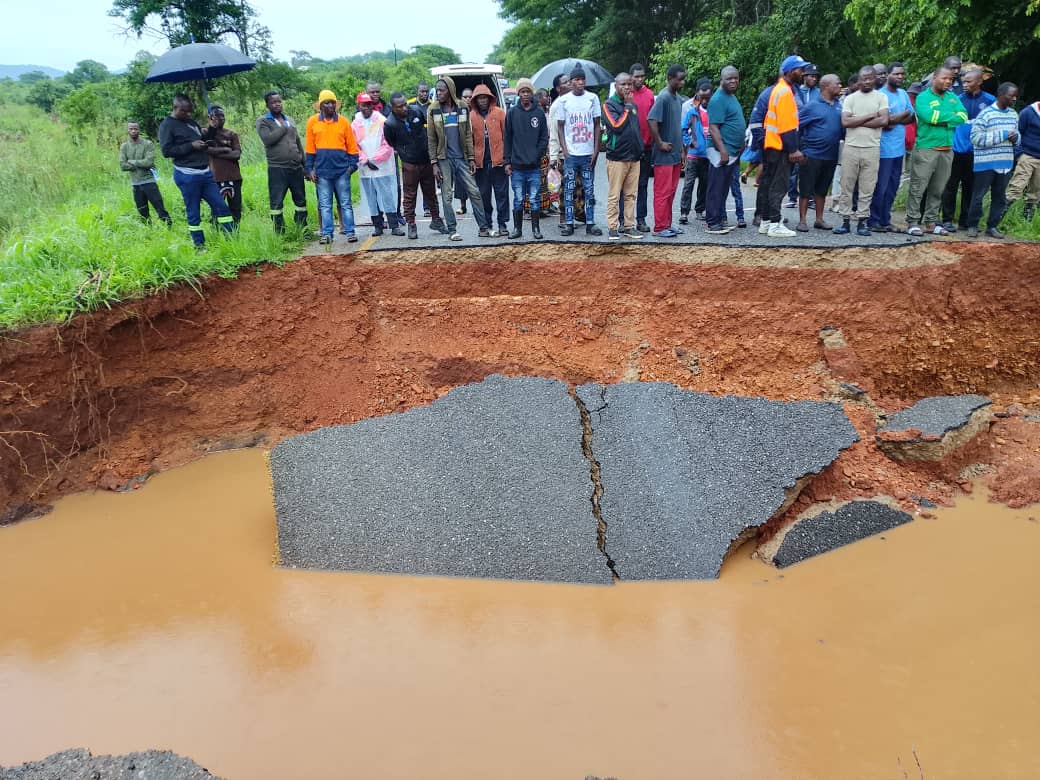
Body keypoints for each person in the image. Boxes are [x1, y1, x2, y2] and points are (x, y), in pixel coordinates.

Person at [158, 93, 234, 247]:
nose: (188, 114)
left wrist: (212, 129)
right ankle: (199, 246)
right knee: (193, 211)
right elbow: (167, 151)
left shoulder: (191, 122)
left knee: (222, 207)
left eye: (190, 111)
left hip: (205, 173)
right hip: (187, 175)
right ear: (175, 108)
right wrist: (191, 146)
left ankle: (232, 242)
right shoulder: (167, 125)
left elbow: (203, 140)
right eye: (184, 111)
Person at [905, 67, 968, 236]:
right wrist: (950, 117)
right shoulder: (923, 97)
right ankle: (912, 222)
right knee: (918, 187)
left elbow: (963, 116)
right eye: (944, 78)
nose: (948, 82)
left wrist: (942, 117)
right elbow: (929, 117)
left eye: (951, 79)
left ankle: (931, 223)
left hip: (947, 150)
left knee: (938, 189)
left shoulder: (953, 98)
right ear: (935, 78)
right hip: (927, 148)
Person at [427, 76, 491, 240]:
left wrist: (471, 158)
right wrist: (434, 163)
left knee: (474, 191)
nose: (438, 93)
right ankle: (452, 230)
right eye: (438, 90)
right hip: (443, 160)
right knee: (447, 197)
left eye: (441, 90)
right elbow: (431, 138)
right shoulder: (433, 109)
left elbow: (468, 134)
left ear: (450, 90)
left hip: (461, 158)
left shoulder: (462, 107)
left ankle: (483, 227)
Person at [833, 66, 889, 237]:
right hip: (851, 148)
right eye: (863, 78)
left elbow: (885, 120)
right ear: (859, 79)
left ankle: (862, 222)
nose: (866, 81)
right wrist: (871, 116)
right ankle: (845, 221)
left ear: (875, 79)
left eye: (870, 78)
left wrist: (856, 121)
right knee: (846, 185)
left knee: (867, 187)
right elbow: (845, 122)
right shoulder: (850, 98)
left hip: (872, 148)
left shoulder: (881, 97)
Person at [759, 56, 809, 237]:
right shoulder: (786, 93)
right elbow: (787, 127)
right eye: (799, 69)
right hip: (780, 147)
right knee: (778, 186)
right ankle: (774, 224)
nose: (802, 73)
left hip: (771, 144)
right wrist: (794, 150)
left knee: (768, 184)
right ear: (789, 71)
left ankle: (765, 222)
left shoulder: (778, 89)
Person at [940, 69, 995, 231]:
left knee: (970, 187)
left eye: (968, 81)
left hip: (976, 151)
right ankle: (947, 220)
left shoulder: (990, 101)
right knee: (950, 186)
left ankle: (965, 221)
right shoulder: (957, 100)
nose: (964, 85)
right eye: (963, 81)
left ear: (979, 82)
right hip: (957, 150)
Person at [385, 92, 446, 239]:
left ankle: (436, 219)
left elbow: (428, 128)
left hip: (426, 159)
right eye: (400, 106)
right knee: (410, 196)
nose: (404, 108)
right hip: (409, 163)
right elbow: (391, 142)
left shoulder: (416, 111)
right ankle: (411, 224)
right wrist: (404, 152)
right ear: (393, 107)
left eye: (405, 104)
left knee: (430, 192)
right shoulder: (390, 123)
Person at [304, 89, 359, 245]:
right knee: (325, 204)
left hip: (342, 170)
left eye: (332, 103)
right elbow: (310, 148)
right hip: (321, 172)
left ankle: (350, 232)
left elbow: (352, 147)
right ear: (320, 106)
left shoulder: (344, 122)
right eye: (326, 103)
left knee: (345, 203)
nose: (330, 106)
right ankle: (327, 234)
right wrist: (310, 169)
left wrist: (351, 167)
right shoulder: (312, 122)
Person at [966, 82, 1020, 238]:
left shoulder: (1013, 114)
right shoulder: (986, 114)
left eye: (1016, 96)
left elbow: (1017, 137)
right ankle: (973, 225)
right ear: (1001, 95)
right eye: (1011, 96)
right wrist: (1002, 135)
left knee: (1000, 197)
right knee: (978, 196)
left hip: (1005, 162)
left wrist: (1015, 138)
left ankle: (992, 226)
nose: (1014, 99)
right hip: (986, 162)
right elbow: (975, 138)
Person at [556, 66, 603, 236]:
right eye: (576, 79)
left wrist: (596, 150)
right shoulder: (564, 101)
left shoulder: (593, 98)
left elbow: (597, 125)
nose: (580, 82)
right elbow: (560, 127)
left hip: (587, 152)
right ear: (571, 82)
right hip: (571, 153)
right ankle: (569, 222)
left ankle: (590, 222)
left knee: (589, 189)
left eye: (582, 79)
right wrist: (565, 150)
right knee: (569, 189)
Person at [868, 63, 914, 231]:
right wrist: (897, 117)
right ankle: (873, 220)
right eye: (896, 74)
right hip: (883, 149)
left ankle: (885, 220)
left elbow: (911, 117)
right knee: (881, 186)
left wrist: (894, 119)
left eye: (903, 74)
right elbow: (883, 123)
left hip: (899, 149)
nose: (900, 77)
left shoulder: (903, 94)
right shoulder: (880, 95)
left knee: (893, 186)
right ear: (887, 75)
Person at [795, 73, 843, 232]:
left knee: (822, 188)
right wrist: (798, 150)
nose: (840, 86)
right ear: (826, 86)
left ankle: (819, 219)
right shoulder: (812, 106)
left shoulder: (839, 105)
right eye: (837, 84)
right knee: (806, 189)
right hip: (812, 154)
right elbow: (797, 127)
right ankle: (802, 220)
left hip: (830, 155)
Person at [352, 92, 404, 237]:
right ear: (359, 106)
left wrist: (375, 160)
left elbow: (387, 143)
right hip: (366, 167)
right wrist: (366, 161)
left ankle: (394, 225)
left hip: (383, 166)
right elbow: (353, 145)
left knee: (388, 194)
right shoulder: (355, 124)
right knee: (371, 196)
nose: (367, 107)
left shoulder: (381, 120)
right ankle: (378, 225)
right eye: (364, 105)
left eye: (369, 104)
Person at [256, 91, 309, 233]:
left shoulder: (289, 120)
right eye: (273, 102)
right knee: (277, 201)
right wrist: (283, 128)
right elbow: (267, 140)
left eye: (279, 101)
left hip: (295, 167)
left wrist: (305, 166)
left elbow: (297, 143)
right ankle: (280, 232)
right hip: (277, 168)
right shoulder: (263, 121)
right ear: (267, 105)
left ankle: (302, 228)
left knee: (300, 200)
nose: (277, 104)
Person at [602, 72, 645, 240]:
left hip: (634, 157)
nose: (627, 87)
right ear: (616, 85)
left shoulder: (632, 105)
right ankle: (613, 227)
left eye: (629, 84)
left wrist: (640, 148)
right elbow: (616, 126)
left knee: (631, 194)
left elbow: (636, 128)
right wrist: (627, 107)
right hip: (617, 158)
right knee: (615, 194)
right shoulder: (608, 104)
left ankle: (629, 226)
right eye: (623, 84)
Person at [503, 77, 548, 239]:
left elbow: (544, 137)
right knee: (518, 199)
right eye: (522, 92)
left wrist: (537, 154)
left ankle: (536, 229)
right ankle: (517, 229)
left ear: (532, 93)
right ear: (518, 94)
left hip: (534, 166)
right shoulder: (512, 113)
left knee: (535, 199)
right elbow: (507, 138)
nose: (525, 95)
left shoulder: (539, 113)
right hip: (517, 167)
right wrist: (507, 161)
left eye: (528, 91)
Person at [647, 64, 687, 237]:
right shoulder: (663, 97)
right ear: (670, 78)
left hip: (675, 154)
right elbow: (652, 120)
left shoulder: (678, 99)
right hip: (663, 155)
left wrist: (682, 151)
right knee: (662, 191)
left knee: (671, 191)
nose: (682, 82)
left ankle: (668, 224)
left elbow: (679, 128)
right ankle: (659, 227)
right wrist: (660, 142)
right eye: (679, 79)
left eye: (683, 78)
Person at [705, 65, 746, 234]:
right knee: (715, 188)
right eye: (729, 78)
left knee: (723, 188)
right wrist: (722, 150)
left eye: (736, 78)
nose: (733, 81)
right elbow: (714, 128)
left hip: (731, 151)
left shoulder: (731, 97)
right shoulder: (717, 99)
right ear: (721, 80)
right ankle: (713, 222)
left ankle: (720, 219)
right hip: (719, 151)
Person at [470, 84, 510, 236]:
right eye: (479, 98)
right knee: (483, 196)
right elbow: (469, 140)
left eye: (485, 98)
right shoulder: (471, 116)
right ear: (475, 100)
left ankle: (502, 224)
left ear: (490, 98)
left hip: (498, 162)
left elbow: (507, 136)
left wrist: (507, 160)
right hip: (481, 164)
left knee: (502, 194)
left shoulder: (499, 113)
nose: (482, 101)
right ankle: (485, 225)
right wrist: (471, 160)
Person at [548, 74, 584, 227]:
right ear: (558, 88)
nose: (570, 84)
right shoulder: (557, 106)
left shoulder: (573, 102)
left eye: (570, 81)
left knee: (578, 187)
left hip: (578, 152)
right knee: (565, 188)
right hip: (564, 155)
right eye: (566, 82)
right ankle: (563, 219)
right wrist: (554, 157)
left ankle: (578, 213)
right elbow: (554, 134)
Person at [120, 120, 171, 225]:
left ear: (139, 130)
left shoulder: (147, 144)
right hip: (136, 184)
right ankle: (149, 233)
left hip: (149, 181)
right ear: (128, 130)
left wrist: (133, 162)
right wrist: (140, 164)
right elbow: (122, 165)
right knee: (142, 212)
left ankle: (169, 228)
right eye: (131, 129)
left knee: (160, 208)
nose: (133, 131)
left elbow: (149, 162)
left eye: (135, 129)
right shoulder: (124, 146)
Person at [200, 105, 242, 225]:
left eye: (222, 116)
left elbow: (236, 155)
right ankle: (217, 235)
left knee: (236, 208)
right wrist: (225, 149)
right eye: (217, 116)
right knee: (216, 209)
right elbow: (205, 150)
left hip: (234, 176)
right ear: (210, 117)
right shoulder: (205, 133)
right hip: (215, 178)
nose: (220, 119)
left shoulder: (231, 134)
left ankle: (235, 233)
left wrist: (216, 152)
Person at [679, 78, 712, 224]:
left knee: (704, 184)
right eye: (701, 98)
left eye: (707, 98)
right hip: (693, 155)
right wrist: (688, 143)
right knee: (688, 184)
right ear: (697, 96)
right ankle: (684, 212)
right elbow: (683, 129)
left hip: (708, 155)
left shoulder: (713, 112)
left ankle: (700, 210)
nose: (704, 101)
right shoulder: (692, 112)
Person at [629, 64, 656, 231]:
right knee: (627, 186)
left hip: (646, 147)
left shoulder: (650, 95)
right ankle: (626, 219)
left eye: (642, 76)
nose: (639, 79)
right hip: (628, 148)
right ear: (631, 77)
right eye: (636, 76)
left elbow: (653, 120)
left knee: (643, 185)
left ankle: (641, 219)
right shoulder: (626, 93)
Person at [1007, 93, 1040, 221]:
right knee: (1016, 188)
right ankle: (996, 221)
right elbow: (1017, 132)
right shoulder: (1029, 112)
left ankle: (1026, 223)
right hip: (1027, 155)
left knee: (1035, 193)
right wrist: (1019, 154)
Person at [455, 87, 475, 216]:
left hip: (475, 149)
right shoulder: (458, 111)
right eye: (465, 97)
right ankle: (463, 206)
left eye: (470, 97)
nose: (468, 99)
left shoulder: (477, 112)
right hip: (461, 150)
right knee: (461, 179)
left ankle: (477, 205)